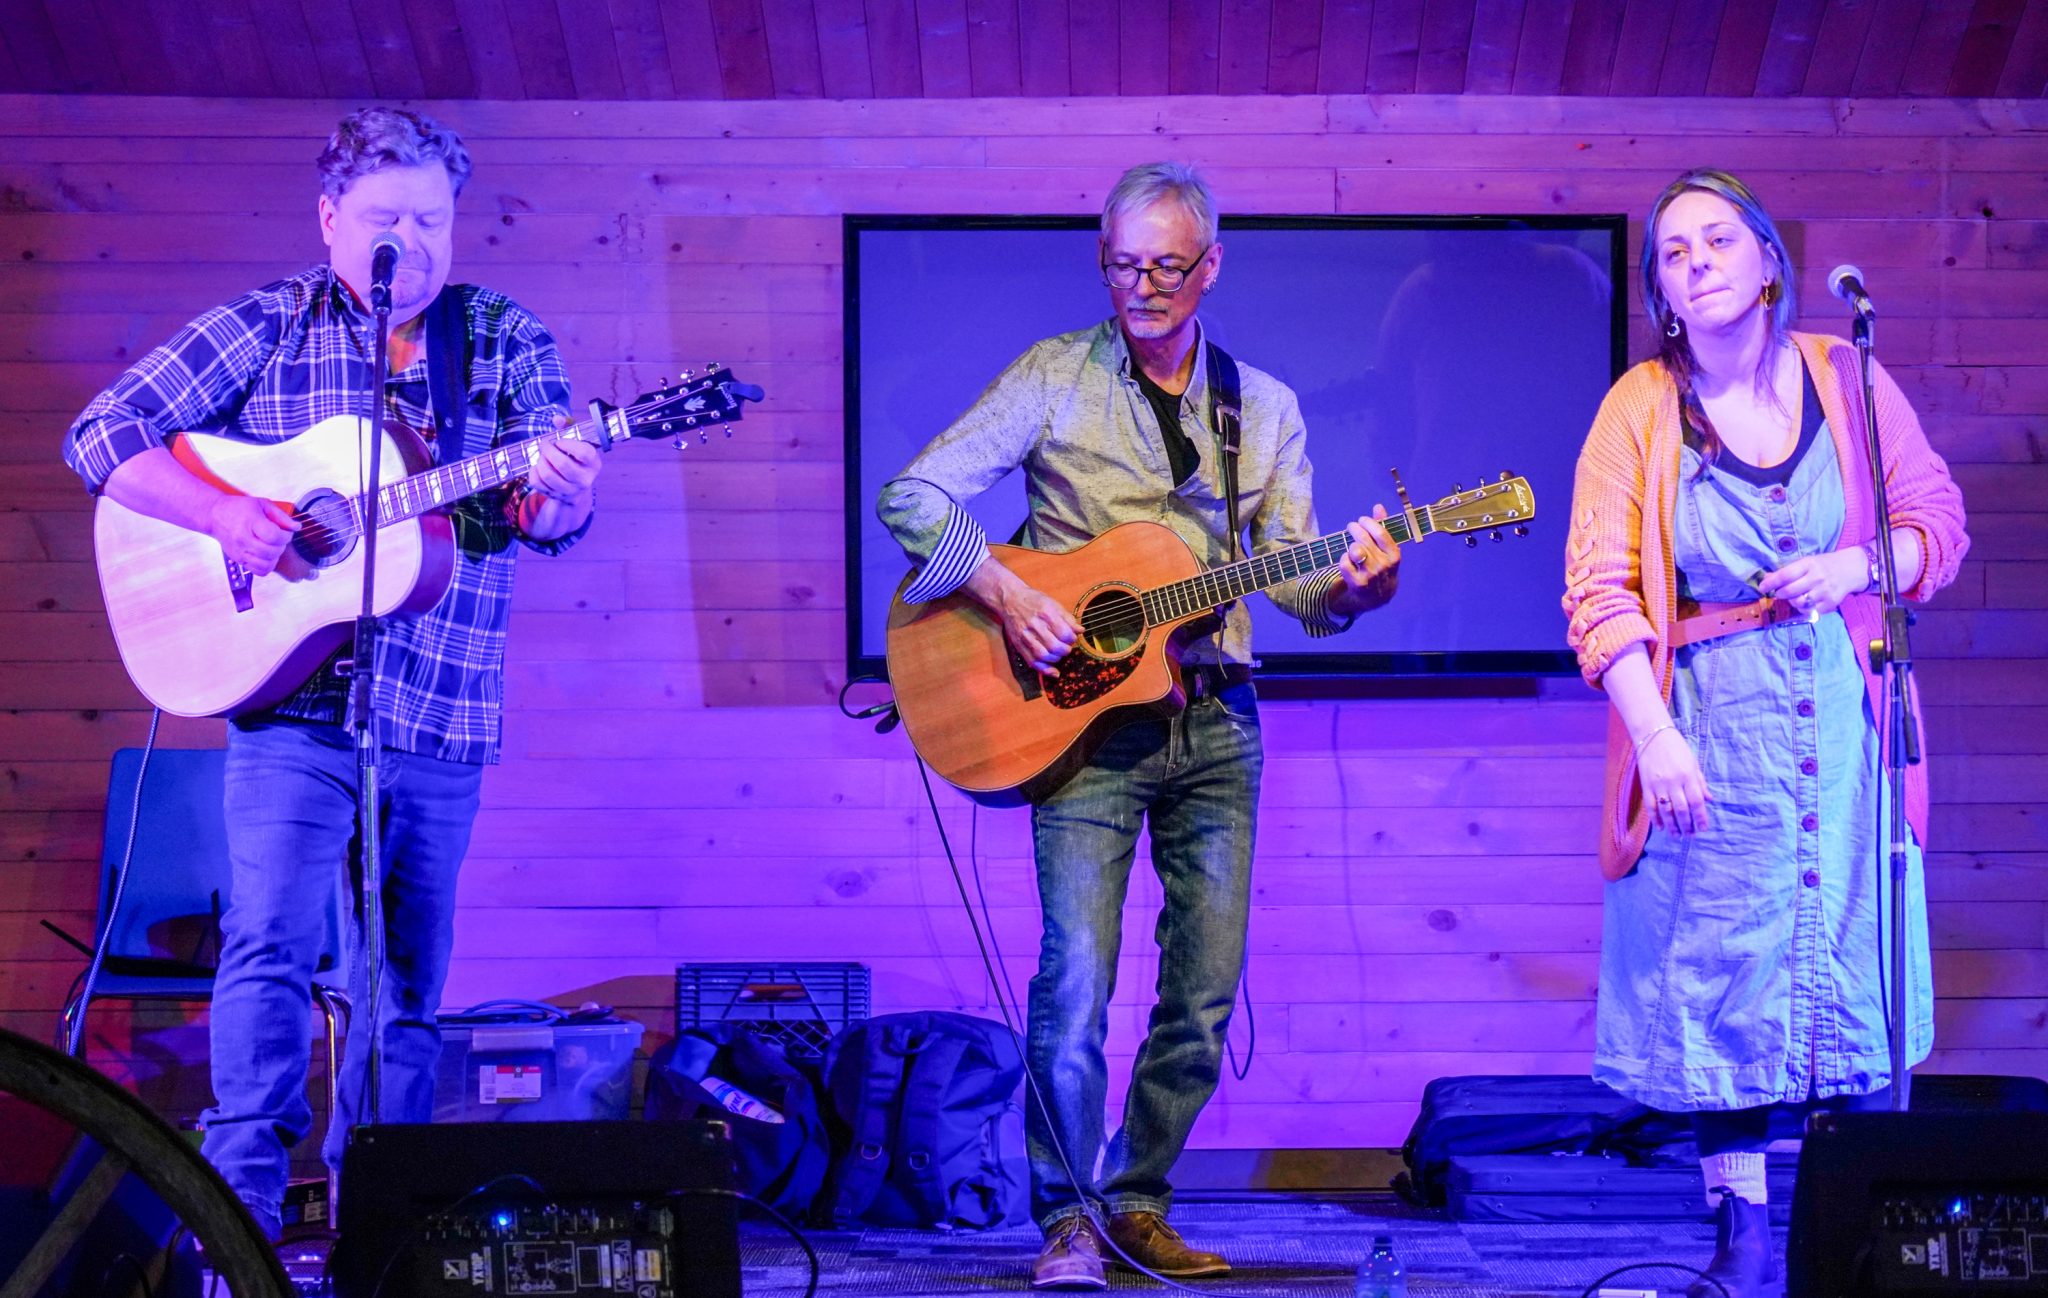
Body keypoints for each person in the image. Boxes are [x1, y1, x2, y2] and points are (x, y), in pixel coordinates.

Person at [61, 107, 601, 1240]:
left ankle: (379, 1218)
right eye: (385, 217)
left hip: (442, 713)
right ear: (328, 220)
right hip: (292, 709)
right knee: (266, 944)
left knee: (404, 982)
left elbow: (546, 519)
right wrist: (226, 514)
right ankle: (240, 1213)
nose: (411, 238)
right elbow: (103, 433)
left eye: (432, 218)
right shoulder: (267, 323)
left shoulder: (500, 337)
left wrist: (567, 484)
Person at [877, 162, 1401, 1291]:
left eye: (1166, 264)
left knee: (1201, 994)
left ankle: (1137, 1202)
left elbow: (1308, 589)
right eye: (1122, 262)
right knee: (1074, 985)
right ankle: (1066, 1220)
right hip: (1081, 730)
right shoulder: (1054, 376)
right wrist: (1011, 596)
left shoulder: (1259, 407)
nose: (1143, 286)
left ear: (1209, 266)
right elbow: (912, 495)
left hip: (1219, 719)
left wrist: (1360, 584)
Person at [1562, 169, 1968, 1298]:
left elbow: (1934, 520)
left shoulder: (1848, 375)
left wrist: (1856, 563)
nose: (1693, 259)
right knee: (1723, 983)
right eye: (1671, 251)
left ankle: (1852, 1225)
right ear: (1660, 291)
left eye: (1714, 239)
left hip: (1839, 720)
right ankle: (1739, 1236)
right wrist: (1654, 738)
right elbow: (1597, 588)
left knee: (1848, 971)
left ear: (1765, 263)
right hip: (1707, 717)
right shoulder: (1638, 406)